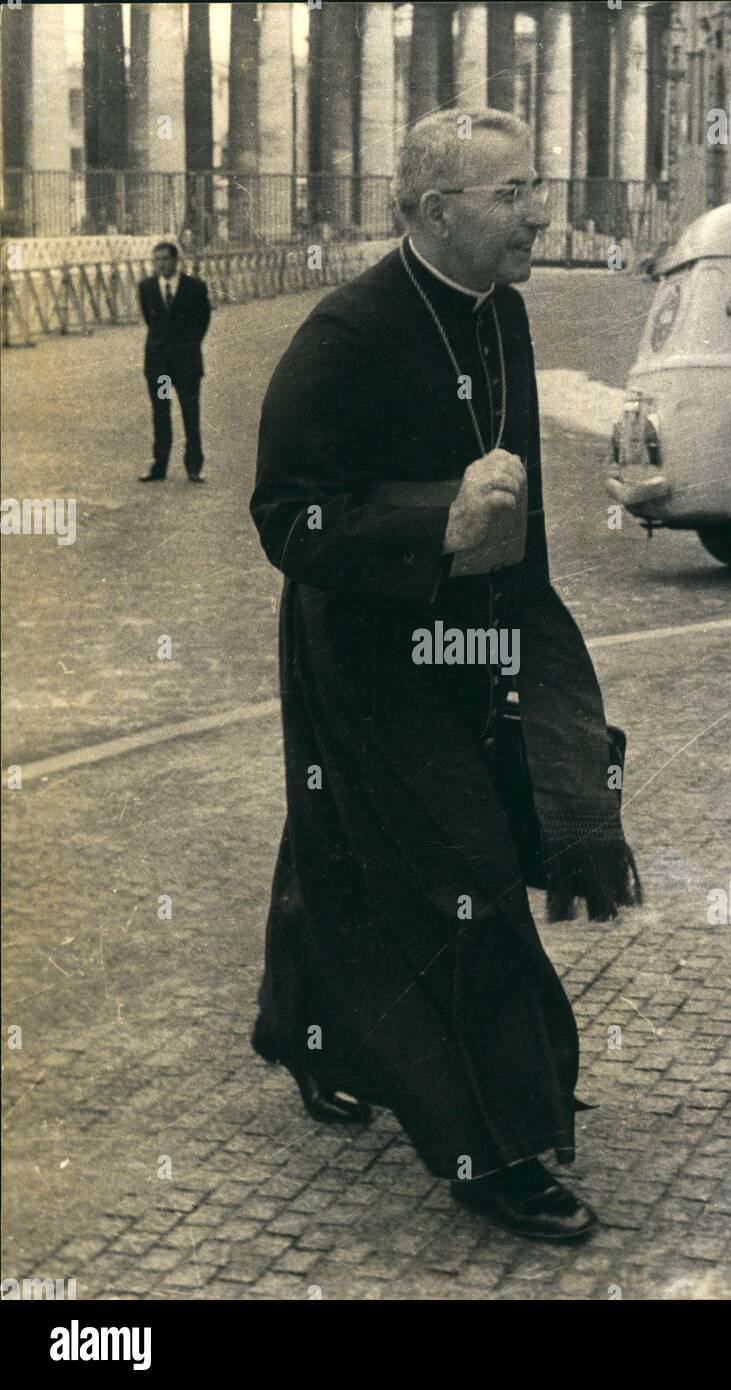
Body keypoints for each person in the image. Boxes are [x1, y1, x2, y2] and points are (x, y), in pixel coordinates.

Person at [249, 109, 640, 1243]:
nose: (540, 211)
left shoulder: (500, 311)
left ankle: (306, 1028)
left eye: (538, 185)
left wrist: (532, 629)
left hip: (477, 635)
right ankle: (493, 1144)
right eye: (513, 191)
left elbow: (511, 496)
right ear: (434, 212)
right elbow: (287, 515)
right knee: (462, 868)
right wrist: (436, 522)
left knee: (342, 841)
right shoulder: (341, 336)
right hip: (367, 649)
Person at [137, 242, 211, 482]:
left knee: (191, 413)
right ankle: (159, 466)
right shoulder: (147, 288)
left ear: (176, 260)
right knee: (160, 413)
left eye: (165, 259)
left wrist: (186, 346)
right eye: (156, 259)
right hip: (158, 365)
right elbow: (152, 321)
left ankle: (193, 467)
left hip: (186, 365)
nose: (161, 264)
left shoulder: (195, 288)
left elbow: (202, 322)